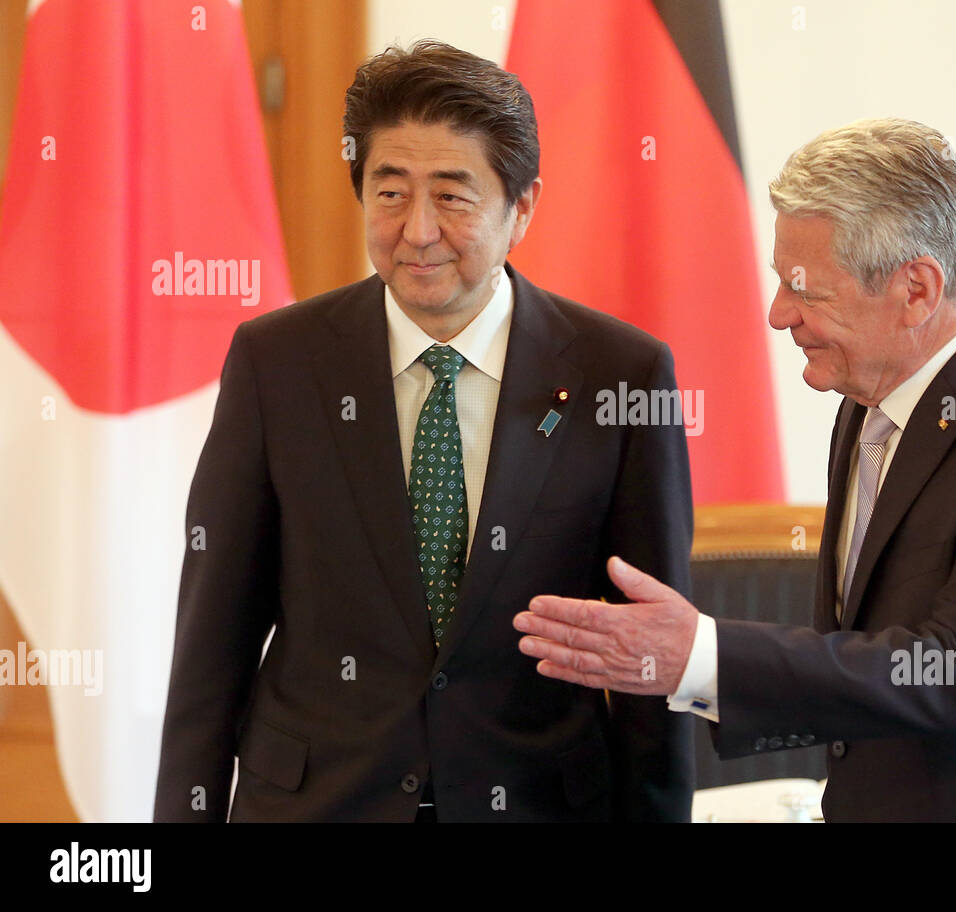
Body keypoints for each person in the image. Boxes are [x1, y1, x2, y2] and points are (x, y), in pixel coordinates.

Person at [514, 118, 956, 823]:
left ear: (917, 290)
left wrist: (702, 654)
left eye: (806, 289)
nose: (779, 315)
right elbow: (860, 653)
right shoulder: (869, 401)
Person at [153, 40, 694, 822]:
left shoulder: (624, 374)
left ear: (523, 207)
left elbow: (652, 655)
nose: (416, 231)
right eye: (390, 192)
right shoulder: (278, 363)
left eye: (452, 195)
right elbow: (212, 645)